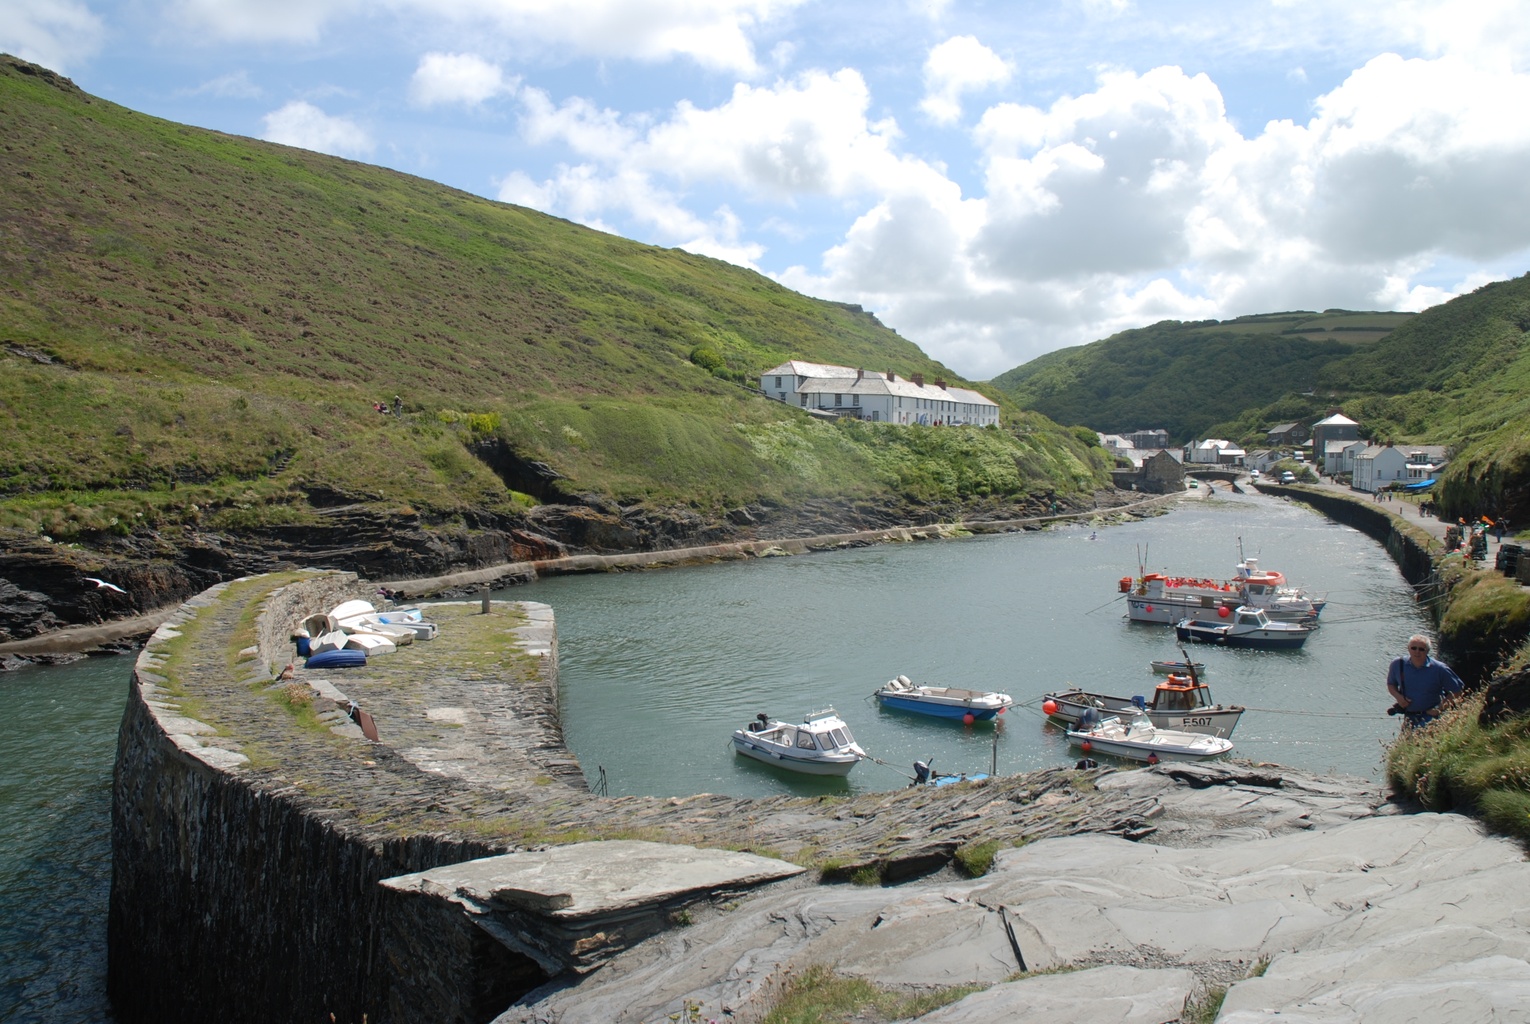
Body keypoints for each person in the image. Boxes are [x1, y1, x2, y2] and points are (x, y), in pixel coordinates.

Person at [1386, 635, 1463, 729]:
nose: (1417, 651)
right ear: (1408, 649)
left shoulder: (1440, 668)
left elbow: (1457, 691)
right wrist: (1399, 697)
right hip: (1409, 716)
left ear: (1427, 651)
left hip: (1431, 718)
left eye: (1421, 649)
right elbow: (1391, 684)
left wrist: (1439, 708)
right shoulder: (1397, 664)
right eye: (1413, 648)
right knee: (1408, 743)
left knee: (1425, 742)